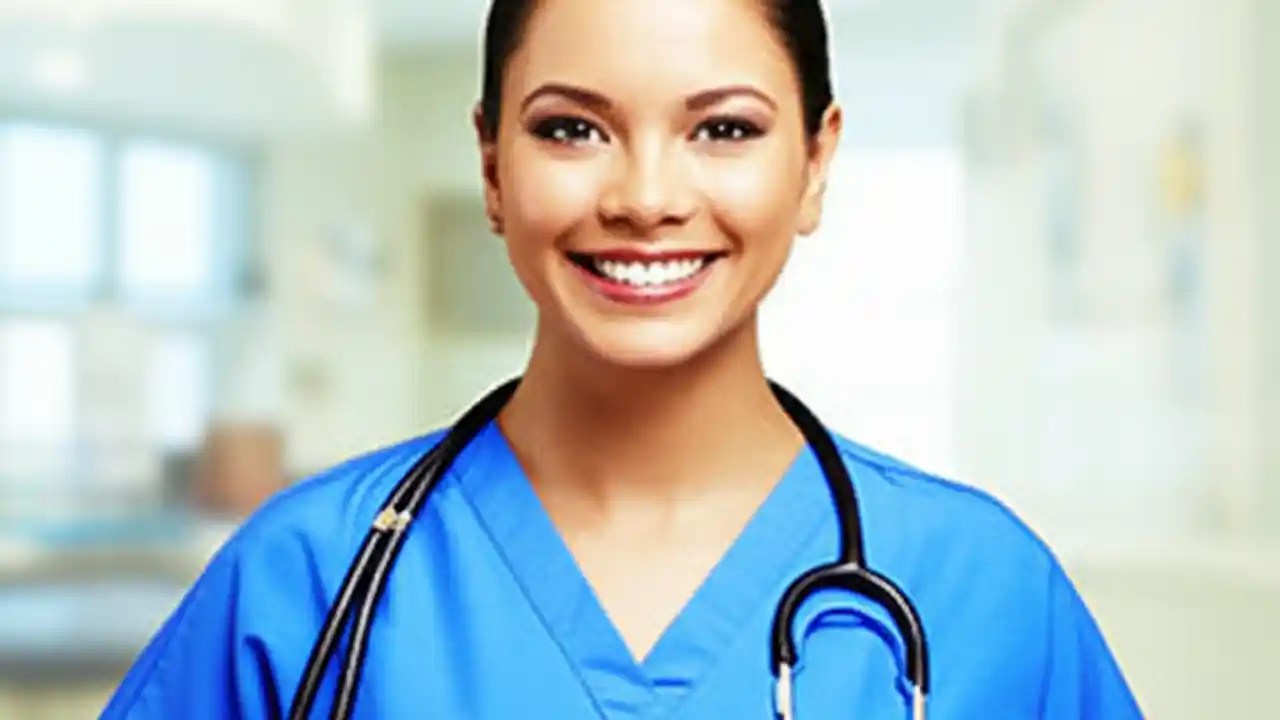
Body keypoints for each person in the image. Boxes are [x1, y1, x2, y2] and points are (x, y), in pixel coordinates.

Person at [101, 0, 1143, 717]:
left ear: (815, 163)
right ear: (492, 166)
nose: (645, 198)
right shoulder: (305, 582)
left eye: (723, 129)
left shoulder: (983, 590)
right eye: (571, 129)